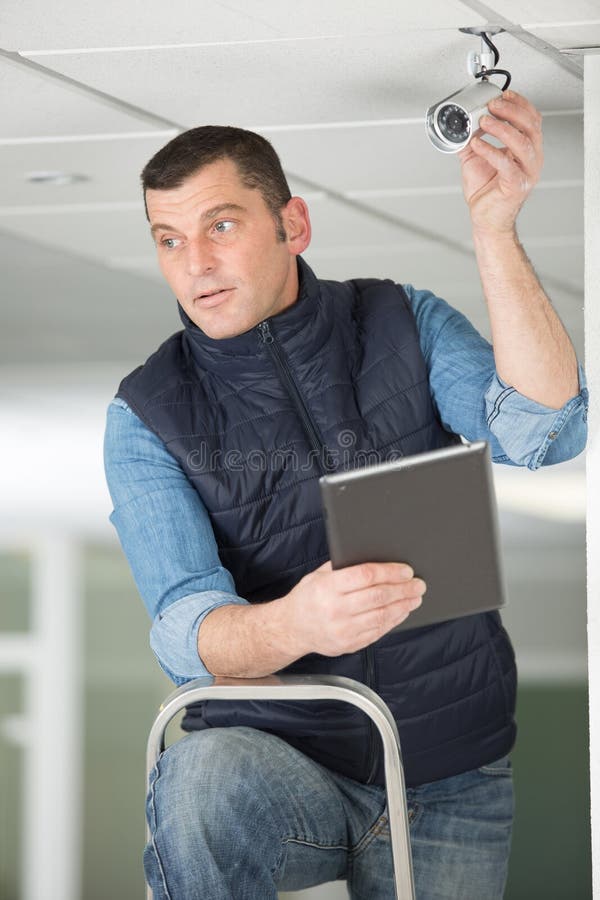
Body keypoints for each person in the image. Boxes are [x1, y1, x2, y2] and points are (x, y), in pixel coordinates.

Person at [104, 90, 587, 900]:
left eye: (221, 226)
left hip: (451, 772)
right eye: (169, 239)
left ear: (292, 225)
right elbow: (187, 633)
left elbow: (545, 431)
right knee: (198, 775)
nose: (195, 264)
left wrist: (494, 228)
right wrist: (299, 622)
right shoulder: (145, 415)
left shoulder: (403, 320)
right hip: (280, 761)